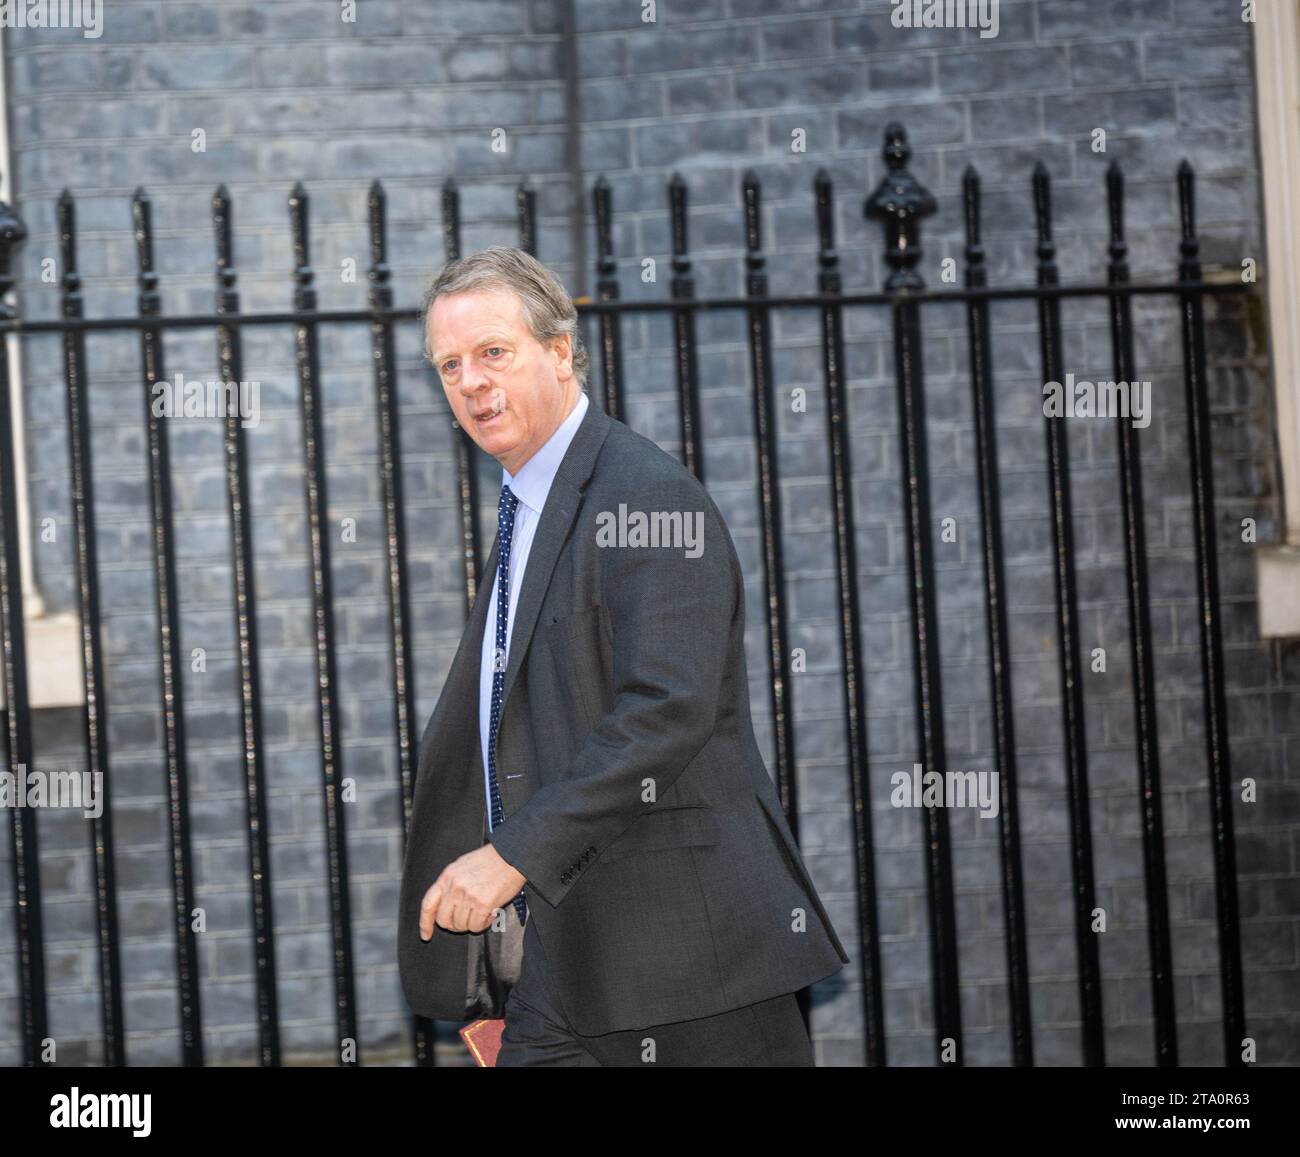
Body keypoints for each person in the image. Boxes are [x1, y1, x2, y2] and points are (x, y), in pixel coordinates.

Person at [396, 245, 848, 1066]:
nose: (470, 381)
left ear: (561, 351)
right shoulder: (529, 503)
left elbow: (666, 708)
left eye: (494, 352)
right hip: (565, 966)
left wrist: (510, 855)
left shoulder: (642, 492)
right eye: (449, 364)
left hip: (688, 960)